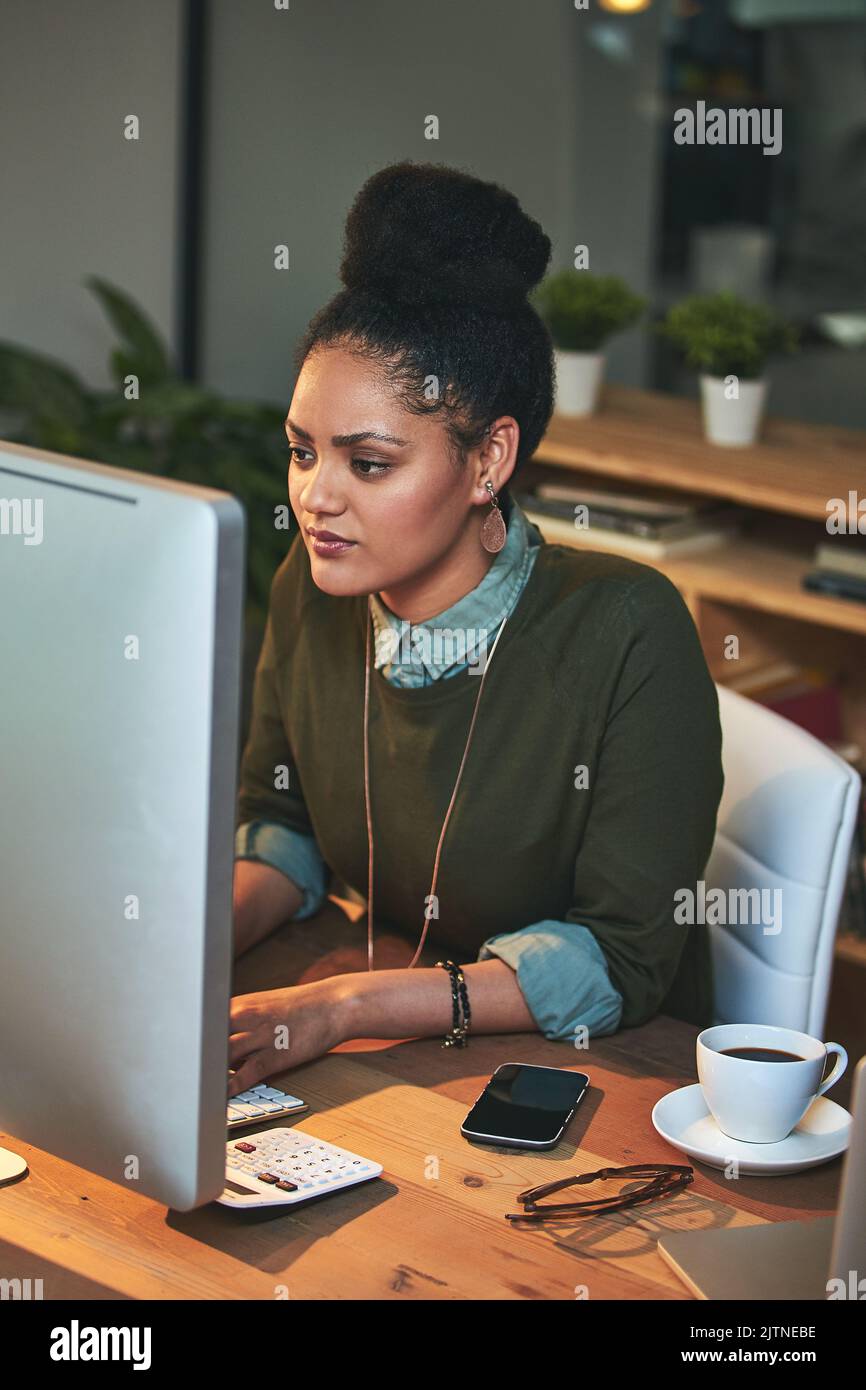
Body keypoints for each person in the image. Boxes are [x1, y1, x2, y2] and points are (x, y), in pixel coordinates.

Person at [227, 161, 724, 1096]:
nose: (314, 497)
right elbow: (283, 826)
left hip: (601, 1076)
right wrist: (181, 953)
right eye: (300, 451)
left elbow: (621, 959)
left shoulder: (625, 630)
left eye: (368, 464)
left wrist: (346, 1009)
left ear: (489, 458)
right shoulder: (314, 582)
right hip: (399, 1033)